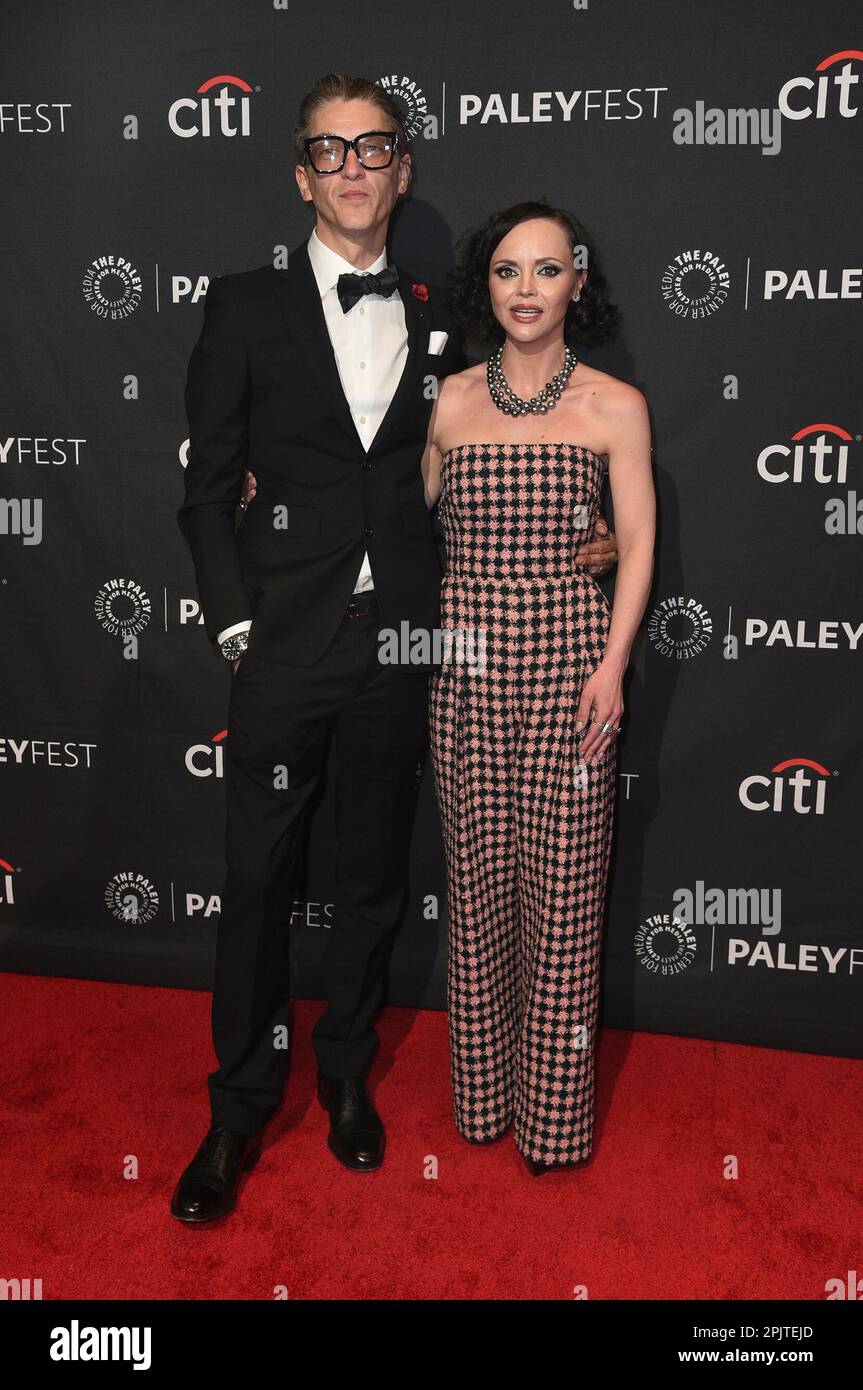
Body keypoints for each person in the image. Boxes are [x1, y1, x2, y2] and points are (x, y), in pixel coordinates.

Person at [174, 69, 619, 1223]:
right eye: (330, 150)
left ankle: (343, 1081)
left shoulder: (439, 317)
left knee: (372, 883)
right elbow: (206, 490)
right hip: (281, 645)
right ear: (301, 173)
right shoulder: (241, 306)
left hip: (407, 649)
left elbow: (506, 441)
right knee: (257, 880)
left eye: (374, 146)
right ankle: (233, 1113)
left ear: (401, 167)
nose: (354, 166)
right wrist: (234, 620)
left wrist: (597, 530)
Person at [421, 202, 655, 1174]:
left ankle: (552, 1120)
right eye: (507, 270)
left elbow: (637, 543)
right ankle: (480, 1099)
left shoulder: (613, 404)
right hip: (461, 664)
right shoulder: (444, 401)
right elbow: (397, 520)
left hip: (568, 655)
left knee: (561, 895)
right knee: (474, 887)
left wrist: (611, 665)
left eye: (545, 269)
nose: (524, 289)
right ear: (487, 284)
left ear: (575, 284)